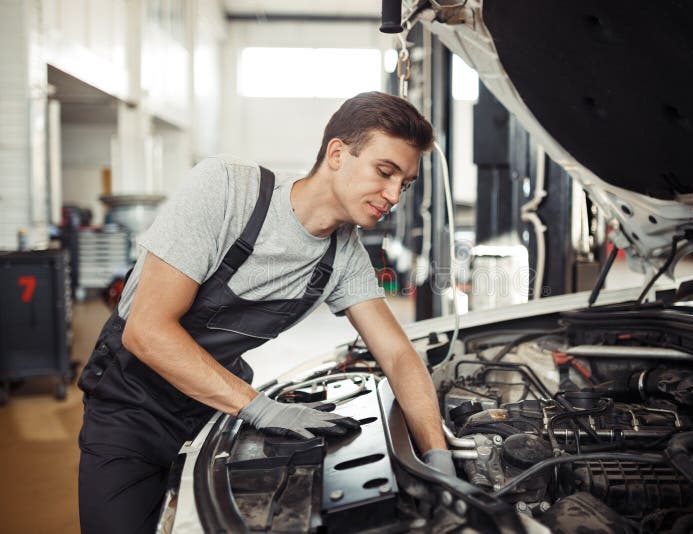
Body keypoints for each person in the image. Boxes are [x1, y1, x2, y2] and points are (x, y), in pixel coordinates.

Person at [77, 91, 455, 533]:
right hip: (132, 407)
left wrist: (438, 456)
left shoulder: (345, 257)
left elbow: (398, 356)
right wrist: (261, 409)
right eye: (385, 172)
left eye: (404, 184)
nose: (393, 195)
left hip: (212, 411)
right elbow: (145, 332)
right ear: (337, 153)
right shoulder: (227, 190)